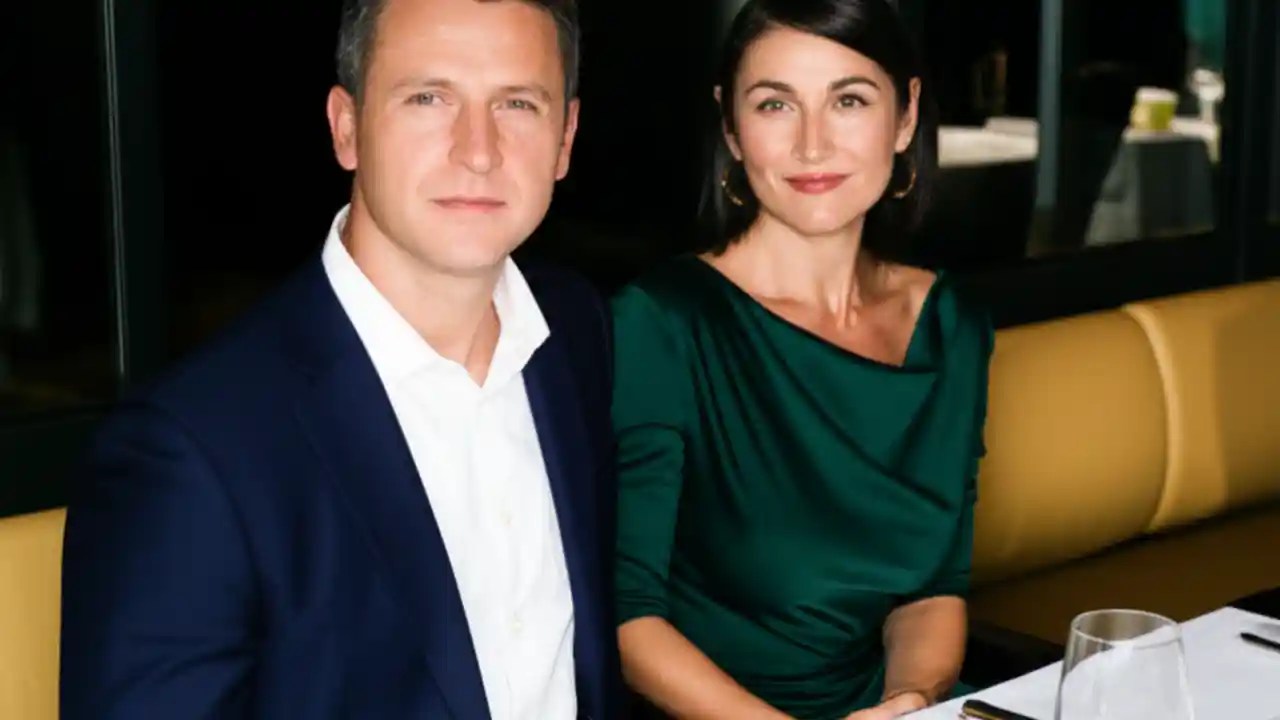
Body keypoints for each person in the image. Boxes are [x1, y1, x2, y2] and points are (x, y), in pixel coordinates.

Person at [59, 0, 621, 718]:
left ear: (566, 137)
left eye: (517, 103)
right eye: (428, 97)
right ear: (346, 126)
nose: (478, 149)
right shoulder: (185, 450)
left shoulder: (574, 333)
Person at [612, 1, 993, 718]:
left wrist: (910, 700)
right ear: (731, 124)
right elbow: (631, 622)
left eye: (848, 100)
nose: (812, 146)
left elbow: (932, 589)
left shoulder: (950, 325)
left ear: (906, 116)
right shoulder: (663, 321)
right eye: (775, 104)